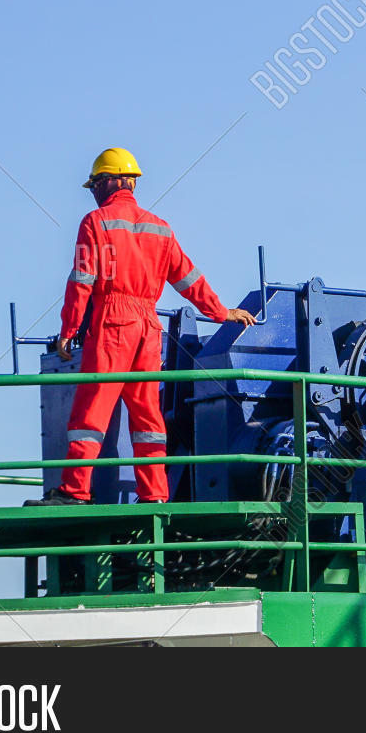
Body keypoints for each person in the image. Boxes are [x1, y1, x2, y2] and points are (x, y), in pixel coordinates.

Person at [27, 148, 256, 506]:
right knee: (148, 416)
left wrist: (69, 330)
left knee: (91, 410)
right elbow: (188, 278)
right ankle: (155, 494)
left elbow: (81, 282)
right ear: (132, 183)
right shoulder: (160, 228)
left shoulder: (96, 222)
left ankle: (74, 491)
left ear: (112, 181)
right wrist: (221, 312)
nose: (93, 191)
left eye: (95, 184)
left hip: (112, 325)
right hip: (149, 329)